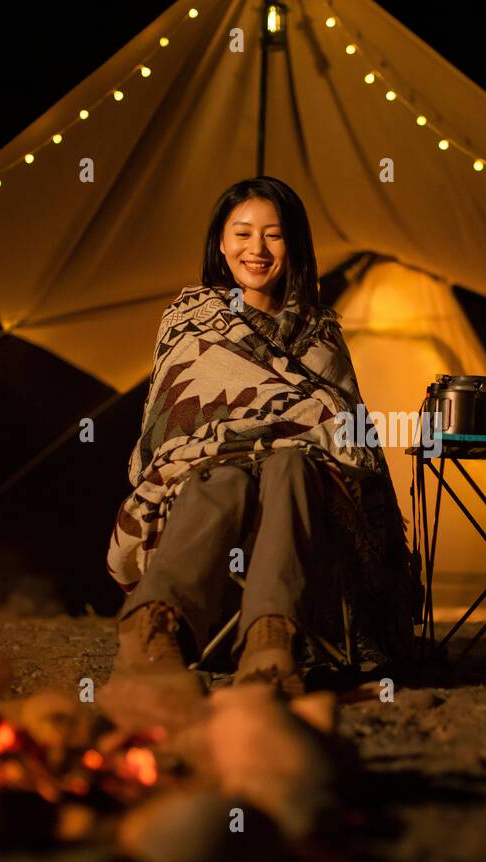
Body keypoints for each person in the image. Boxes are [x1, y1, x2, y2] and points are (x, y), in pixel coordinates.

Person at [105, 176, 412, 698]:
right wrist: (247, 441)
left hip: (308, 494)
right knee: (223, 478)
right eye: (243, 233)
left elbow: (348, 430)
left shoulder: (320, 332)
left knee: (289, 464)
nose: (257, 249)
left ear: (294, 244)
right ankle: (153, 630)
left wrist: (285, 441)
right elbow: (172, 423)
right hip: (209, 487)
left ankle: (271, 639)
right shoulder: (191, 320)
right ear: (221, 243)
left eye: (273, 235)